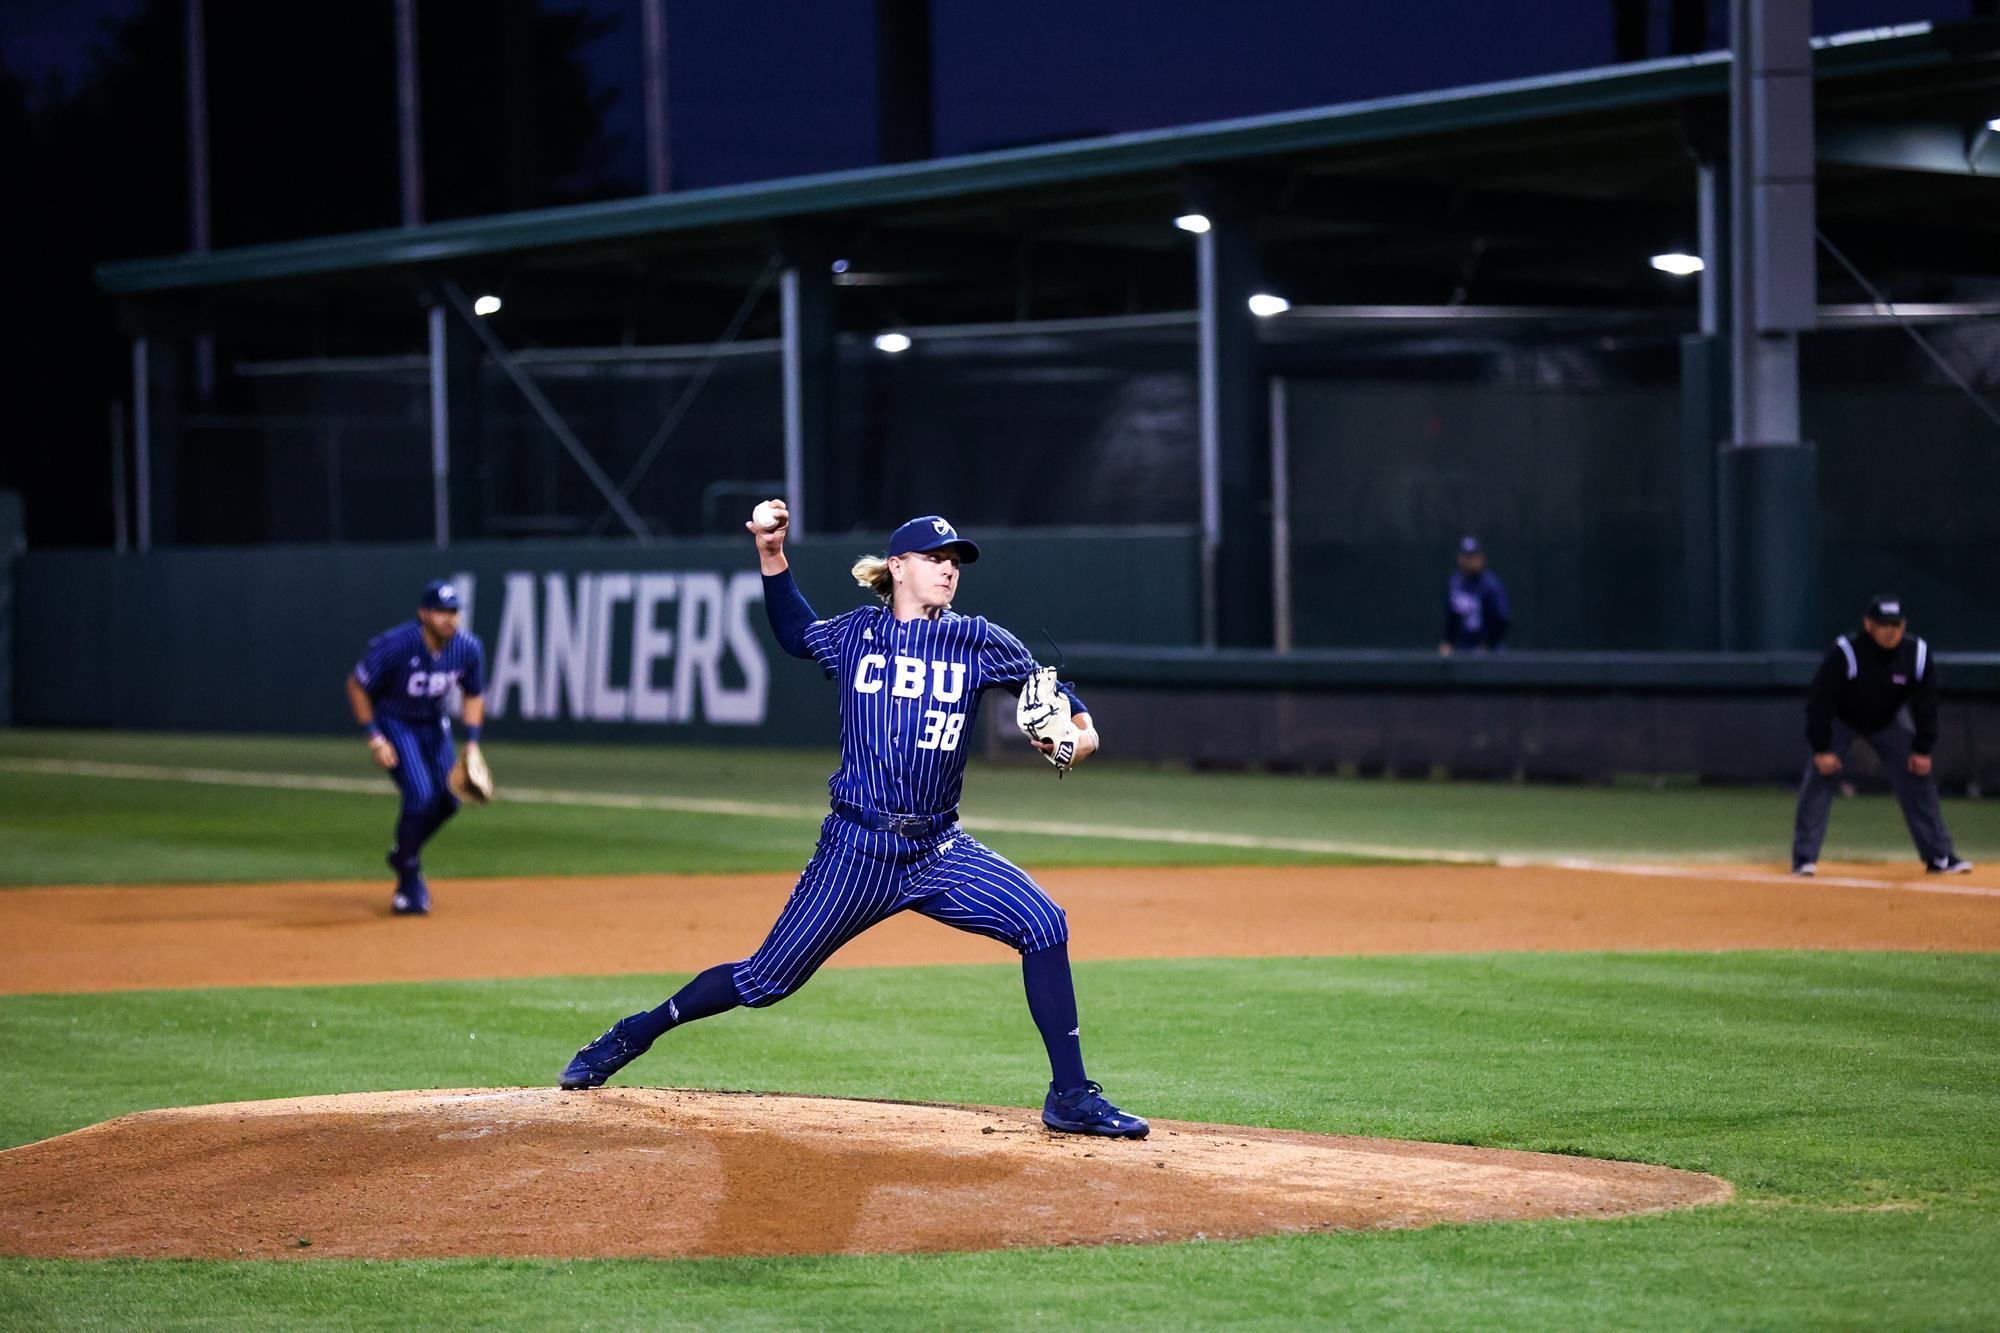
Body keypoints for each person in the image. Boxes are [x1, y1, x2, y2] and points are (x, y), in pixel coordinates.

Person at [557, 501, 1150, 1139]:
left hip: (939, 850)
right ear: (897, 567)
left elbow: (1065, 705)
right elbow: (796, 635)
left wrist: (1081, 737)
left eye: (955, 561)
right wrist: (771, 554)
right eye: (934, 558)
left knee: (1044, 923)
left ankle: (1071, 1096)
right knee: (764, 980)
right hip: (855, 850)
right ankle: (636, 1032)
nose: (949, 570)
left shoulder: (980, 640)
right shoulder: (857, 635)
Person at [1791, 594, 1972, 877]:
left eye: (1896, 625)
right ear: (1868, 625)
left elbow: (1926, 705)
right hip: (1842, 717)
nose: (1890, 631)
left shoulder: (1916, 653)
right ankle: (1804, 859)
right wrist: (1822, 748)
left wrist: (1923, 749)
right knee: (1819, 777)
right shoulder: (1847, 651)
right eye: (1883, 624)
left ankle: (1939, 855)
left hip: (1888, 720)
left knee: (1917, 775)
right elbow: (1820, 701)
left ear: (1904, 626)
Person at [345, 579, 488, 915]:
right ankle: (409, 878)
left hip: (433, 725)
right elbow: (357, 686)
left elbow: (474, 694)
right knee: (421, 794)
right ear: (423, 614)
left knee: (450, 799)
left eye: (453, 612)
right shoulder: (397, 645)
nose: (449, 618)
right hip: (395, 722)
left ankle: (403, 854)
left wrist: (472, 743)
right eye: (441, 612)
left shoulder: (467, 648)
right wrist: (375, 737)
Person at [1438, 535, 1510, 654]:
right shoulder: (1455, 583)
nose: (1469, 561)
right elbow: (1451, 617)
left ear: (1481, 558)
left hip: (1490, 652)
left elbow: (1501, 619)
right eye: (1466, 556)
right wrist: (1448, 641)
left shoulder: (1491, 584)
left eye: (1472, 557)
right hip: (1462, 650)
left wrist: (1488, 644)